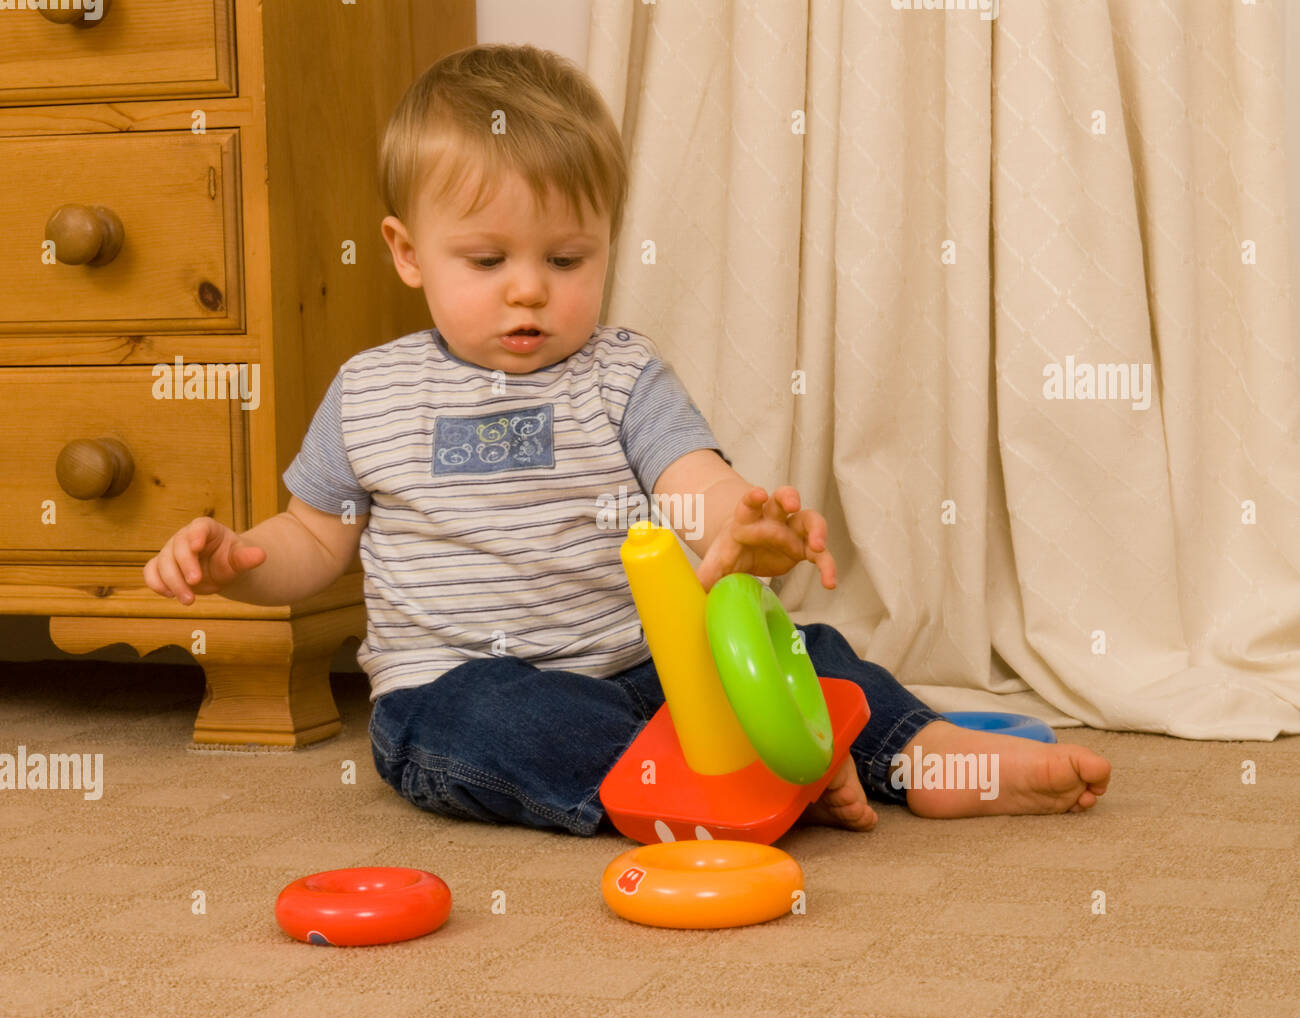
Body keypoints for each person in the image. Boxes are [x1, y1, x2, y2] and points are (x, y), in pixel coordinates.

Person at [143, 44, 1109, 836]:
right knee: (491, 720)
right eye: (487, 261)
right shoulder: (370, 391)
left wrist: (746, 523)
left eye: (567, 259)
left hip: (649, 665)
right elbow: (314, 542)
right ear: (405, 251)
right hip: (455, 684)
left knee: (808, 650)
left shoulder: (620, 373)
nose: (530, 288)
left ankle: (923, 751)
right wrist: (238, 559)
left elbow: (693, 482)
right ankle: (722, 787)